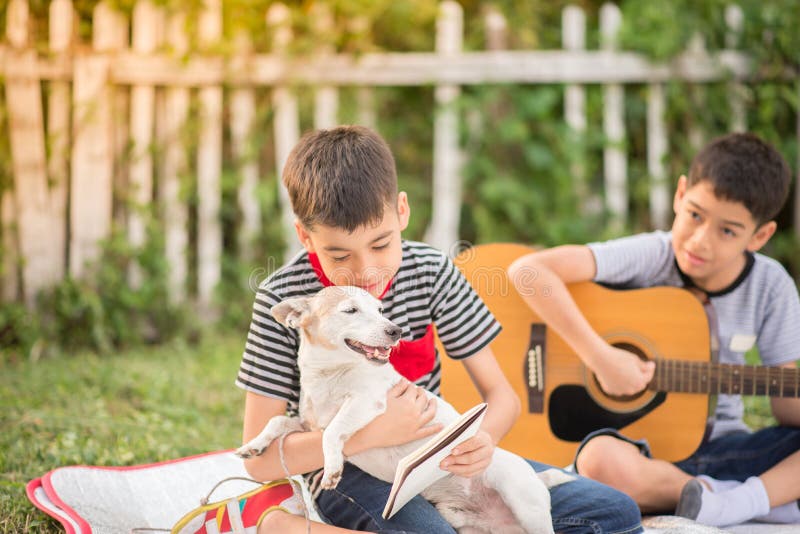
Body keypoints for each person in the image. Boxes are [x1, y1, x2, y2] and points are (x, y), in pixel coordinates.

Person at [232, 125, 643, 533]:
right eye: (339, 254)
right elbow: (258, 460)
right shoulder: (283, 296)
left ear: (402, 211)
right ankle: (285, 526)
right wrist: (366, 435)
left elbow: (502, 397)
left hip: (432, 458)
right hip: (343, 467)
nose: (365, 271)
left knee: (614, 512)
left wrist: (483, 442)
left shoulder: (430, 270)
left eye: (380, 244)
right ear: (305, 236)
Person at [508, 132, 800, 528]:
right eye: (695, 215)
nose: (701, 240)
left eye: (727, 231)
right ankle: (752, 498)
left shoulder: (771, 286)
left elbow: (786, 407)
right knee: (598, 460)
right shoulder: (652, 254)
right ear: (680, 195)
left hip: (724, 449)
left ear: (760, 236)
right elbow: (527, 271)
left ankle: (733, 501)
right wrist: (600, 356)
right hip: (638, 450)